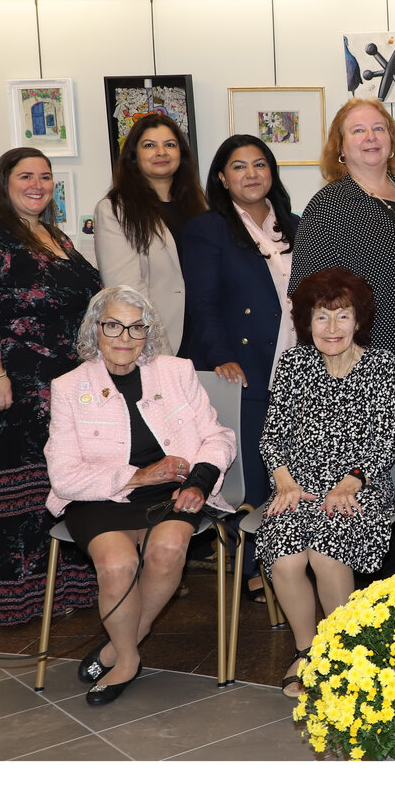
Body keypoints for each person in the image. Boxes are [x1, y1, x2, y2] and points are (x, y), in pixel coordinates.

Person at [45, 286, 237, 705]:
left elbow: (217, 437)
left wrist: (199, 481)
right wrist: (137, 476)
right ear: (95, 329)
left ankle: (120, 646)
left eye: (136, 327)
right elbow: (63, 476)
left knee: (168, 548)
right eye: (112, 325)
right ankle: (129, 657)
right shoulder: (68, 387)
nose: (124, 337)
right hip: (99, 497)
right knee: (118, 565)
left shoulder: (176, 371)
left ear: (148, 333)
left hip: (173, 491)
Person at [0, 148, 104, 624]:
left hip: (63, 387)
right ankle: (8, 600)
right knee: (14, 492)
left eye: (45, 177)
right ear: (2, 182)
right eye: (25, 176)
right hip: (10, 388)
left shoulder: (54, 236)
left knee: (56, 486)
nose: (37, 184)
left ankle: (62, 590)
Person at [254, 268, 395, 698]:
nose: (332, 328)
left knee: (325, 549)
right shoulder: (294, 364)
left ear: (358, 320)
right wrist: (283, 480)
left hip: (360, 485)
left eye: (342, 317)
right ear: (307, 321)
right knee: (284, 555)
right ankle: (307, 652)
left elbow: (385, 439)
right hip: (297, 486)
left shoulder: (379, 366)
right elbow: (272, 435)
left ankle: (343, 652)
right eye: (322, 317)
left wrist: (351, 481)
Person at [183, 134, 301, 604]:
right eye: (238, 166)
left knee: (292, 468)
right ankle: (253, 567)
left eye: (259, 164)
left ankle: (287, 555)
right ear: (221, 177)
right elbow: (203, 301)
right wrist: (218, 356)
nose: (251, 174)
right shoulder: (208, 228)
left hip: (296, 357)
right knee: (252, 471)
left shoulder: (294, 223)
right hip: (243, 364)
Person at [288, 96, 395, 412]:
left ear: (391, 141)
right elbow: (306, 295)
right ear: (340, 147)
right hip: (376, 363)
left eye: (379, 128)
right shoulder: (328, 206)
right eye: (358, 130)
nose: (371, 137)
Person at [93, 114, 207, 356]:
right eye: (149, 145)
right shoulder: (116, 209)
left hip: (206, 338)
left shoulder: (200, 204)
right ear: (133, 156)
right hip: (160, 340)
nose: (161, 152)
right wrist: (160, 352)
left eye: (170, 144)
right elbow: (128, 291)